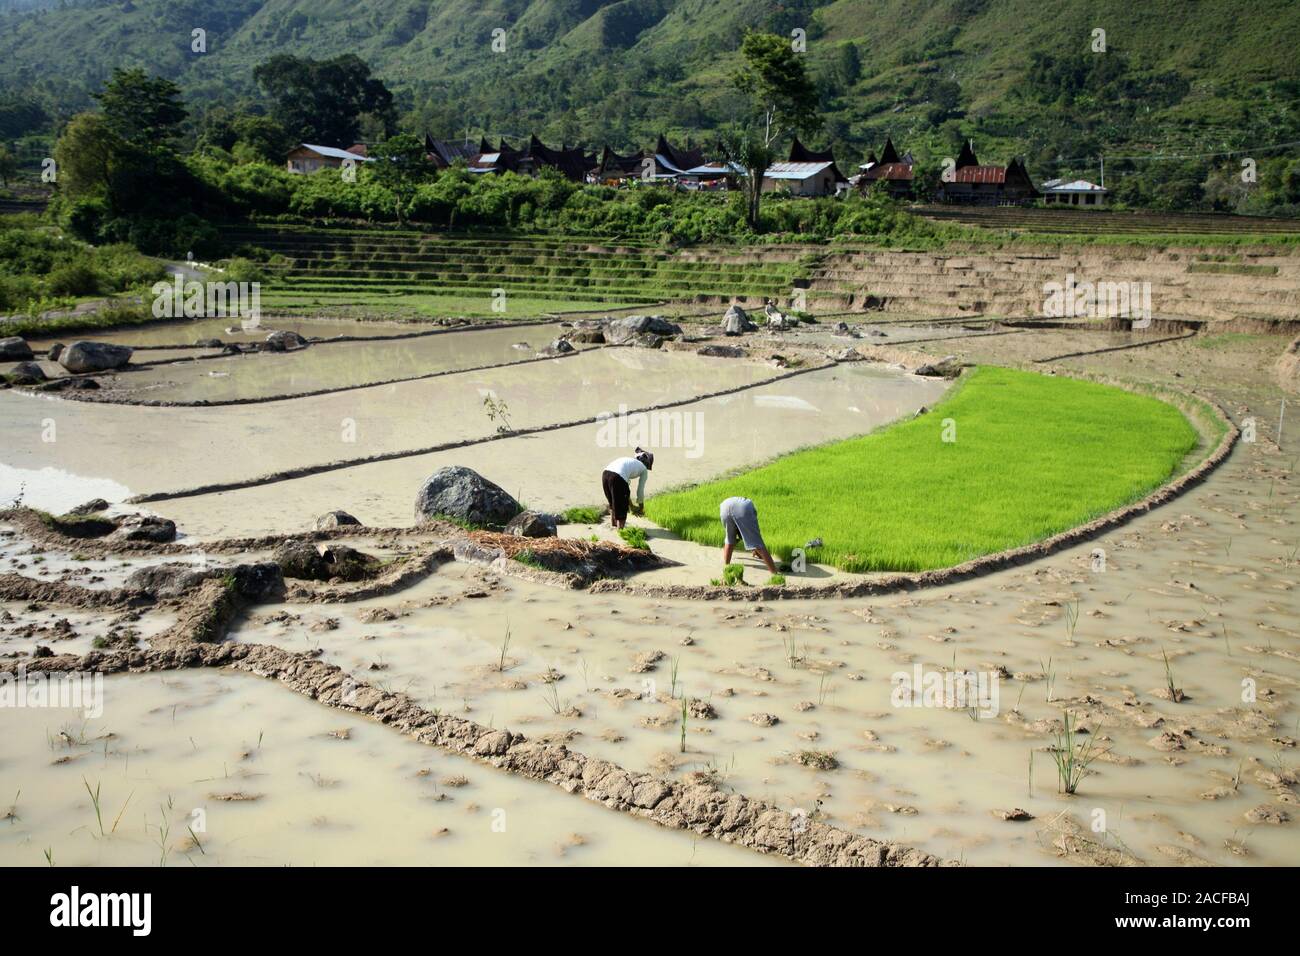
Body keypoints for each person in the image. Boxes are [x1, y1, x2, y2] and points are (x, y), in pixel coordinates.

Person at [720, 496, 779, 575]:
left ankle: (726, 569)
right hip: (743, 507)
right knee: (758, 544)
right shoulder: (750, 510)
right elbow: (751, 538)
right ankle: (775, 574)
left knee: (729, 539)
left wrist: (755, 551)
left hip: (724, 506)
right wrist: (756, 549)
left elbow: (741, 535)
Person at [601, 448, 654, 529]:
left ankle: (614, 527)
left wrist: (631, 506)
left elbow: (624, 491)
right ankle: (621, 533)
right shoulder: (643, 469)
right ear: (647, 463)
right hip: (618, 477)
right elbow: (640, 490)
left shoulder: (629, 462)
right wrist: (641, 507)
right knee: (622, 510)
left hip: (605, 474)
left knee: (613, 504)